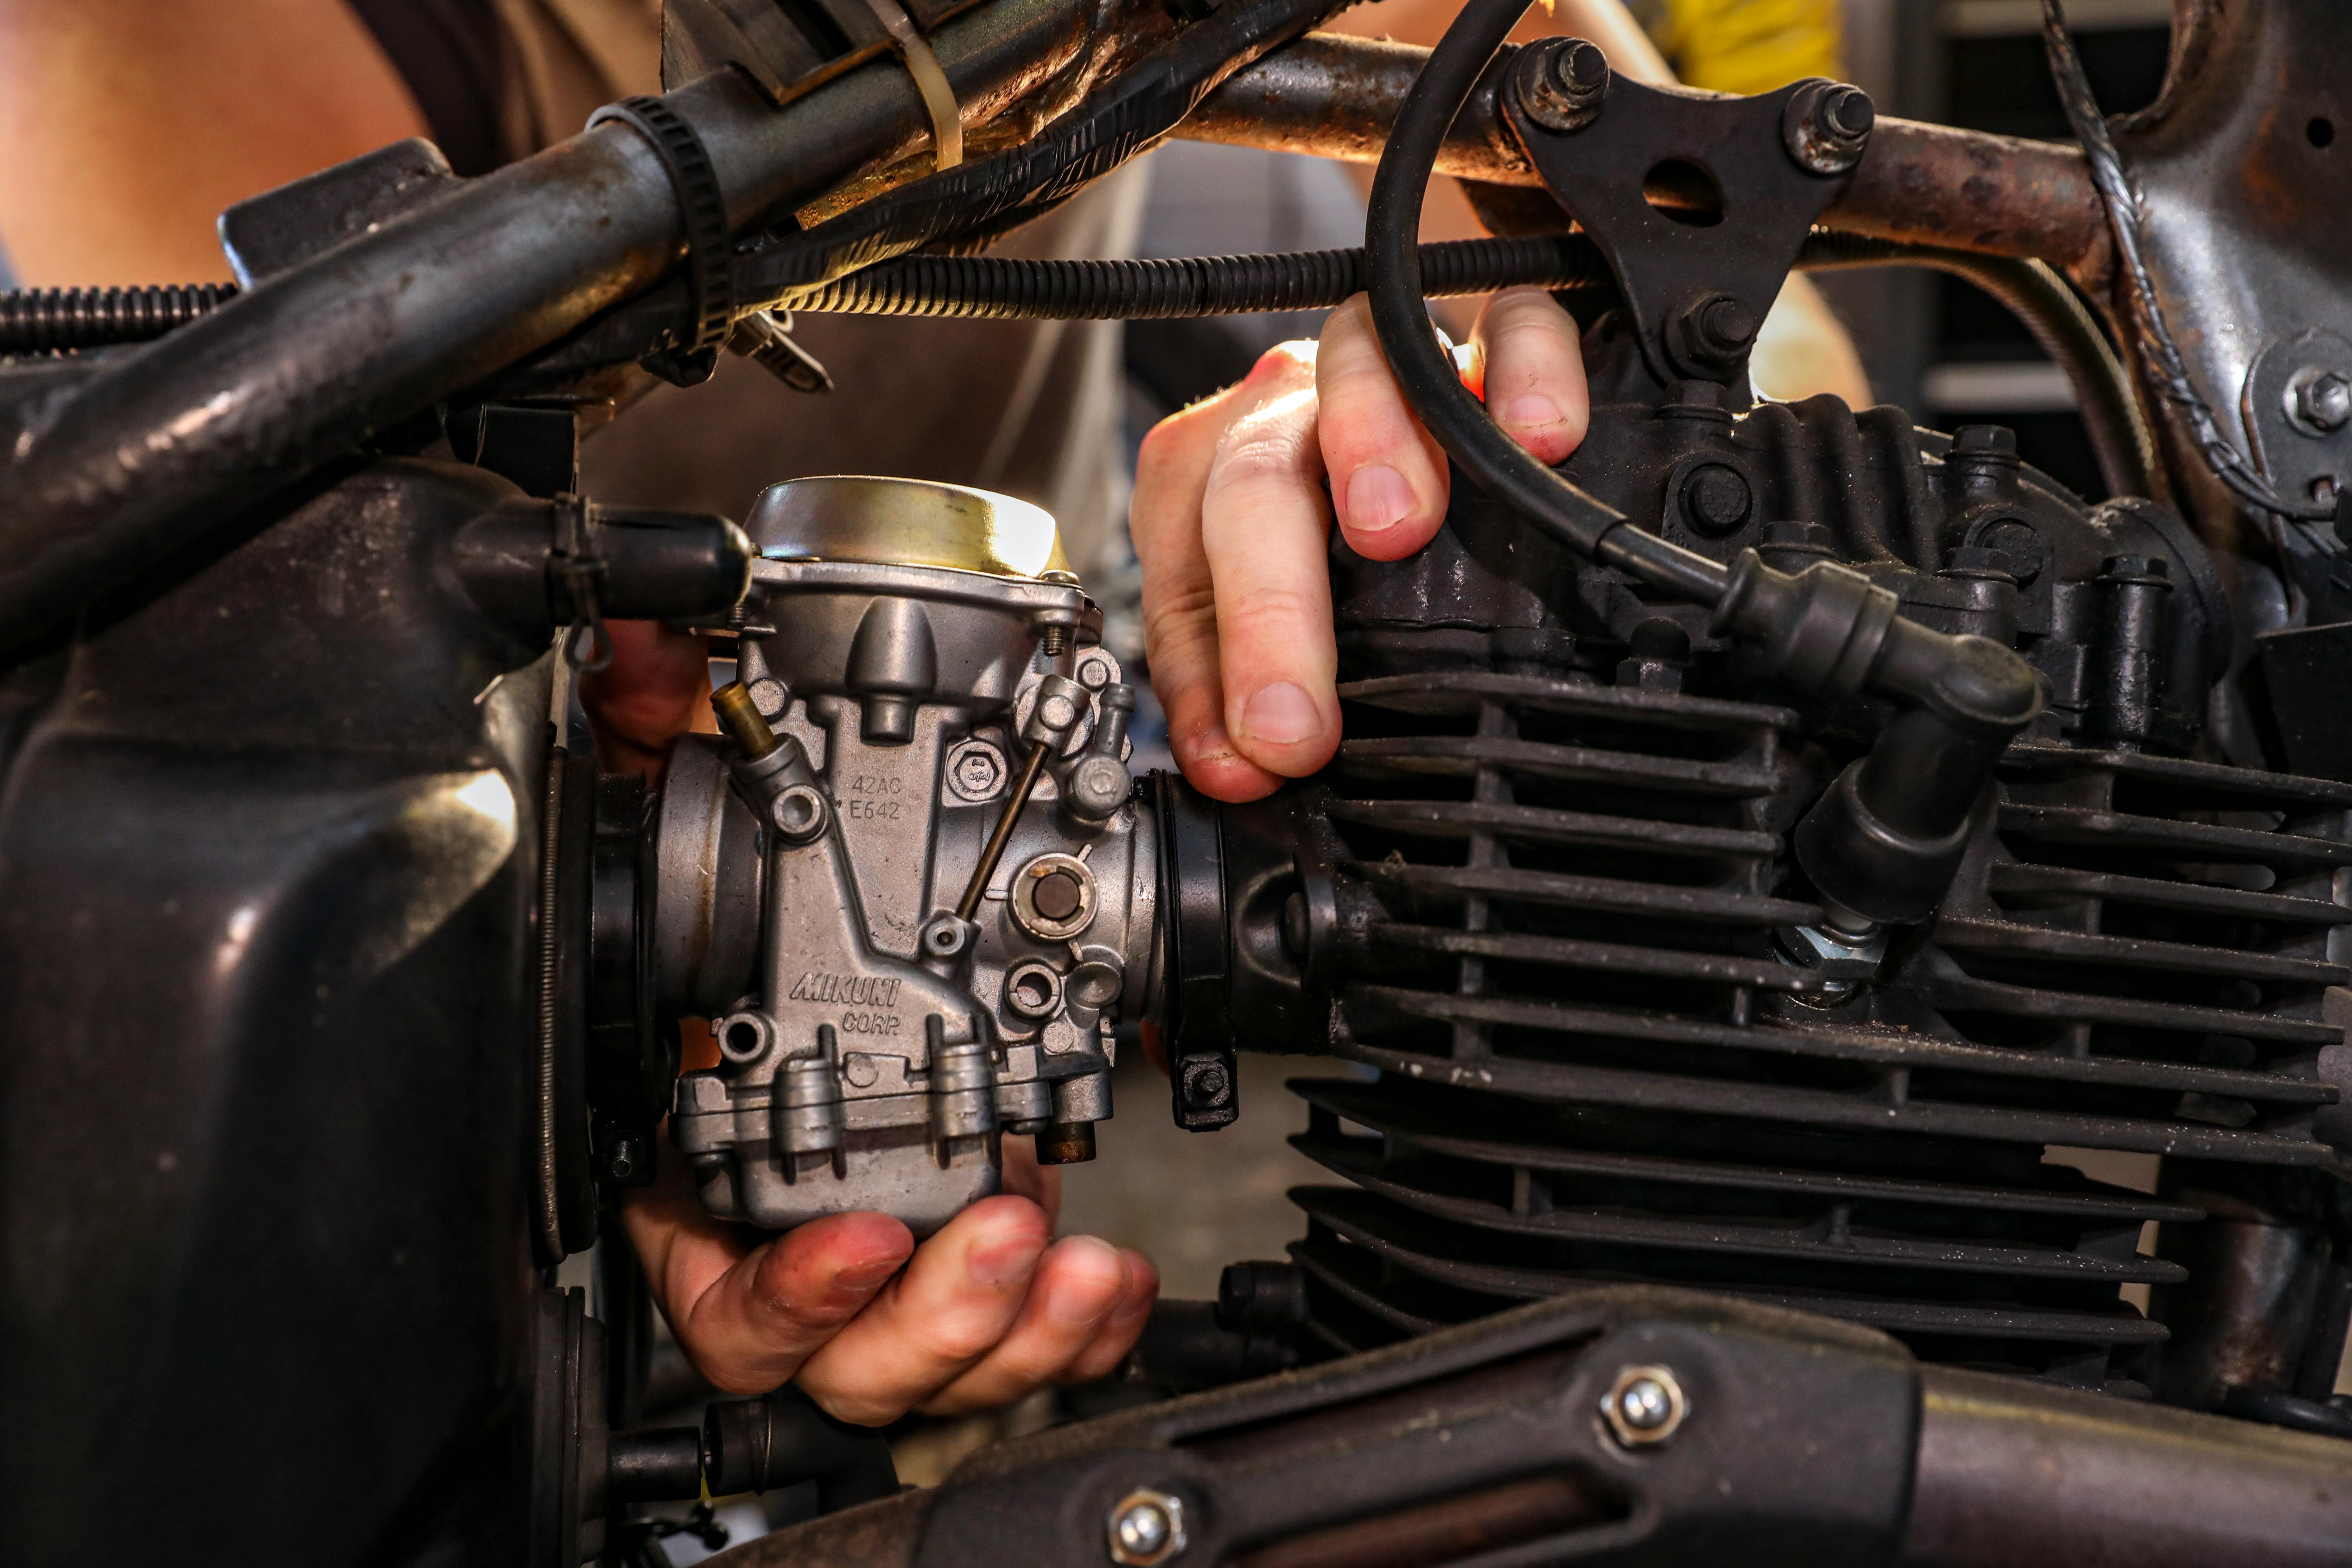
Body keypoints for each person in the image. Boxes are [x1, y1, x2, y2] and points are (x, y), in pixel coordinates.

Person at [0, 0, 1863, 1430]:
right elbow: (289, 666)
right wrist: (588, 1108)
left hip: (1079, 726)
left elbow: (1765, 342)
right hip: (640, 868)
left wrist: (1527, 414)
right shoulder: (165, 40)